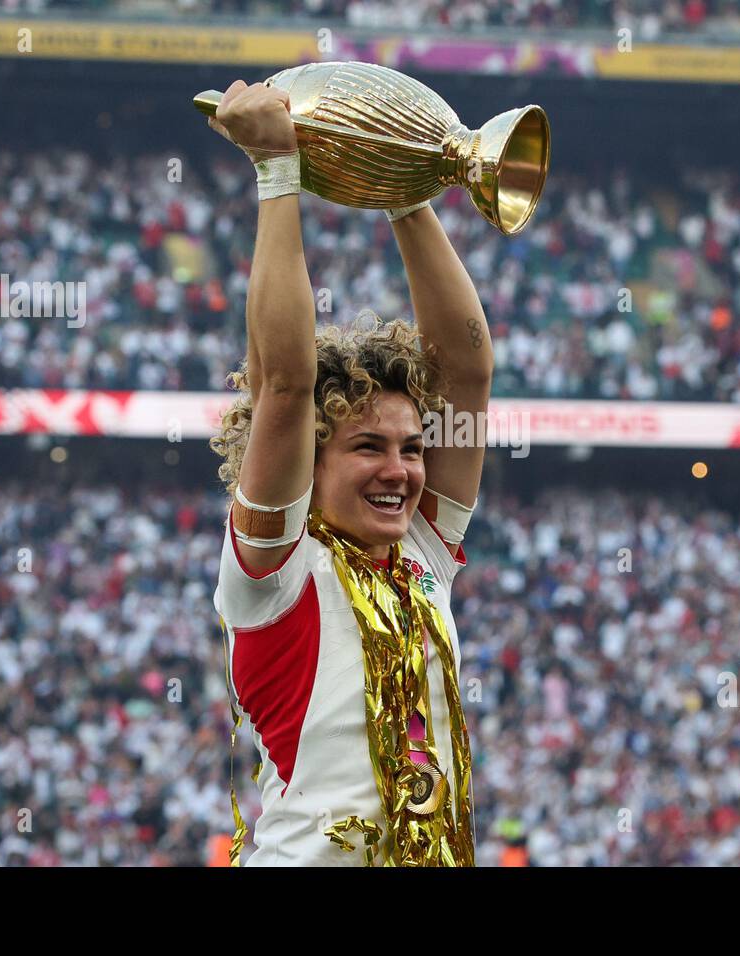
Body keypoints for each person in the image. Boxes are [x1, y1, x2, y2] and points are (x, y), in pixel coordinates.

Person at [206, 80, 493, 866]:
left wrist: (402, 180)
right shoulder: (274, 572)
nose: (401, 470)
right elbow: (286, 385)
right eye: (369, 446)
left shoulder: (422, 556)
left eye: (411, 447)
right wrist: (278, 171)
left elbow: (465, 372)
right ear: (310, 455)